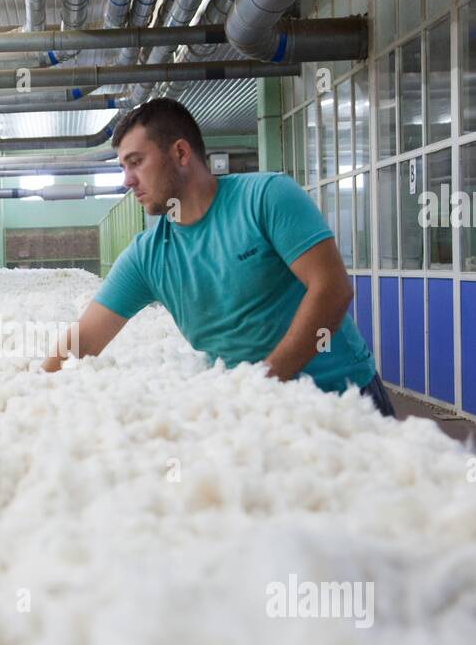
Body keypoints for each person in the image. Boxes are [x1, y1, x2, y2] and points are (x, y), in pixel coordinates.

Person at [42, 98, 394, 418]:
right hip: (256, 413)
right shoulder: (147, 256)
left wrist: (264, 380)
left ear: (181, 154)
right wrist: (35, 394)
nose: (127, 180)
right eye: (123, 166)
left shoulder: (265, 198)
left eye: (136, 162)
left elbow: (332, 290)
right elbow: (84, 339)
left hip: (344, 400)